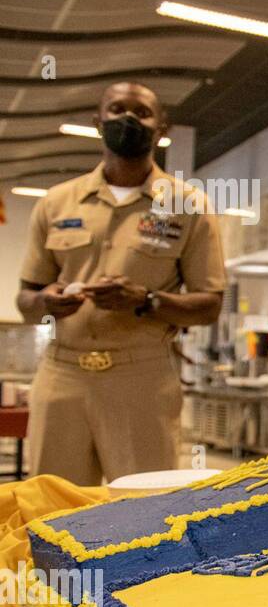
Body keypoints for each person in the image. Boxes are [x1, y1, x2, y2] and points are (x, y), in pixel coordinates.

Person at [17, 81, 225, 484]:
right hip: (62, 374)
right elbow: (24, 300)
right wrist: (46, 302)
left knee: (141, 511)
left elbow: (210, 305)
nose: (128, 119)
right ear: (98, 122)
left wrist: (145, 299)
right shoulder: (56, 202)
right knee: (51, 506)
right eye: (117, 109)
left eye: (142, 112)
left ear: (161, 129)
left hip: (142, 379)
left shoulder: (188, 206)